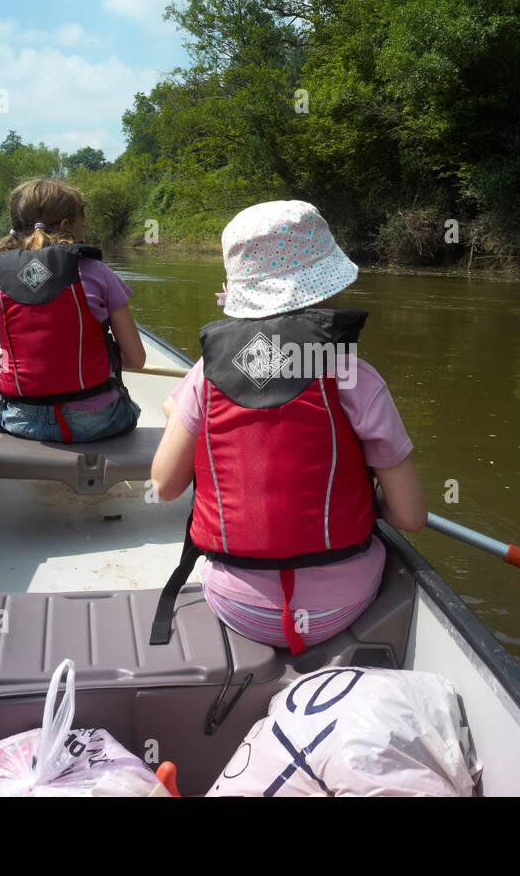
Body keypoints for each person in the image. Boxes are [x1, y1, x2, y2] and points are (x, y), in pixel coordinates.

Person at [149, 200, 427, 653]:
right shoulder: (355, 374)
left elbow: (164, 485)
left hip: (238, 606)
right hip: (342, 605)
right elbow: (412, 517)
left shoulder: (206, 373)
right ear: (328, 287)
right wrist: (367, 500)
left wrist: (183, 418)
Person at [0, 179, 144, 443]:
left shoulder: (1, 279)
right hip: (96, 422)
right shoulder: (97, 272)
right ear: (65, 226)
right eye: (83, 224)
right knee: (132, 409)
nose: (84, 230)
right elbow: (136, 359)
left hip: (20, 419)